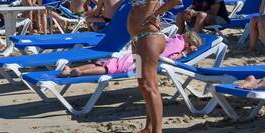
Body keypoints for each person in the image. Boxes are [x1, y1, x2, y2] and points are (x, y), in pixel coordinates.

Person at [126, 0, 183, 133]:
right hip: (138, 38)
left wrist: (155, 14)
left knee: (149, 84)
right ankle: (149, 127)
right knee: (144, 83)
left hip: (148, 38)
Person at [64, 32, 201, 78]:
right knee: (110, 68)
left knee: (105, 62)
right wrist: (186, 52)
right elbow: (169, 57)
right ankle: (79, 73)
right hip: (140, 60)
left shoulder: (174, 38)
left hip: (136, 52)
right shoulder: (178, 44)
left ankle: (71, 70)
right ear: (189, 41)